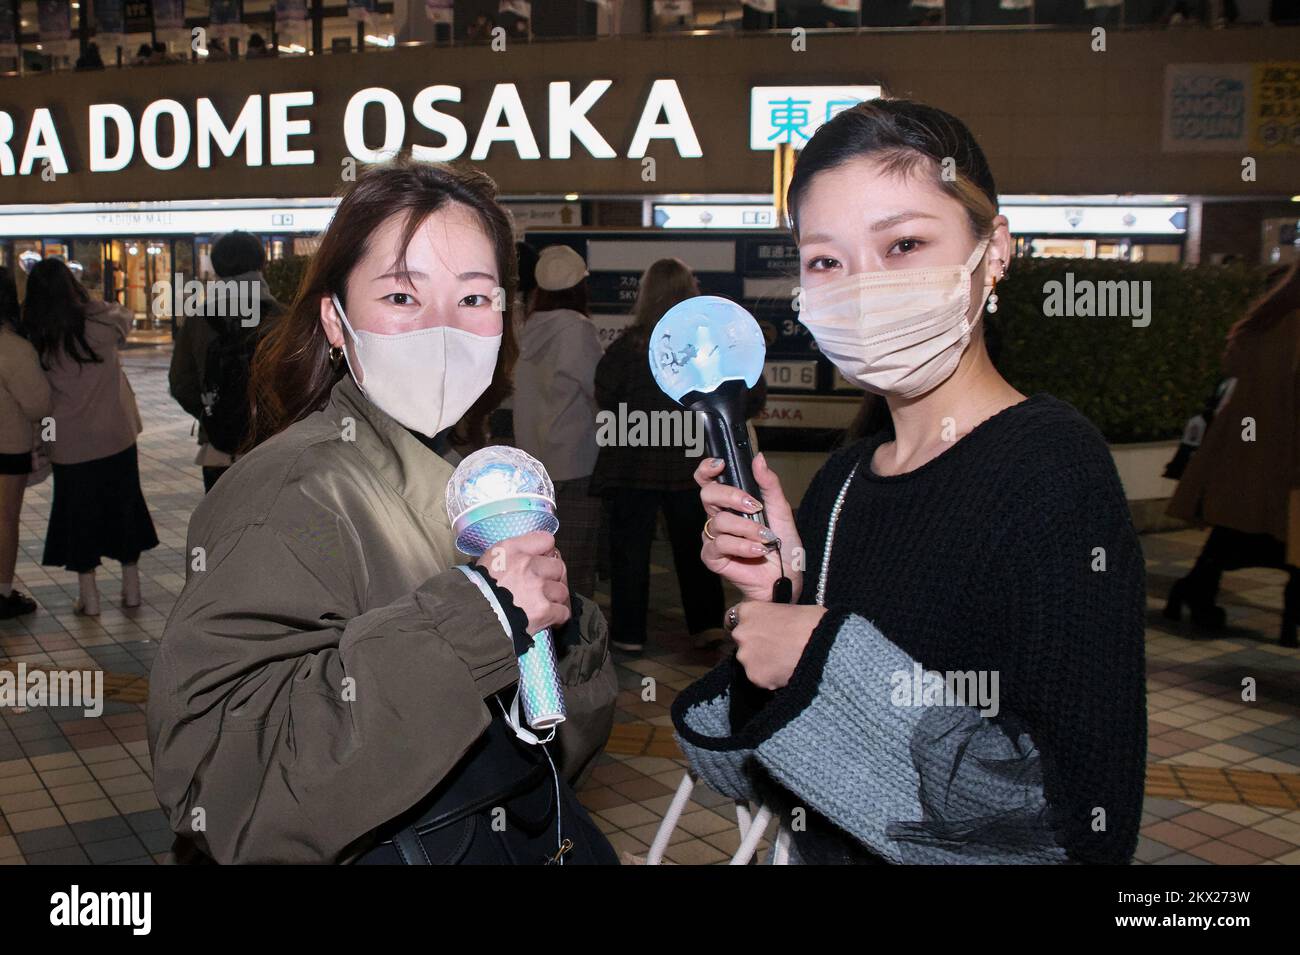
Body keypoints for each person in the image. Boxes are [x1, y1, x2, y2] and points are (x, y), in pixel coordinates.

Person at [673, 100, 1147, 864]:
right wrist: (775, 600)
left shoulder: (1053, 470)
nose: (863, 286)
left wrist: (822, 654)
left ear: (993, 252)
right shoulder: (844, 479)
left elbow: (1077, 826)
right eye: (827, 260)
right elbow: (760, 779)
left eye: (903, 244)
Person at [147, 157, 618, 865]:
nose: (443, 329)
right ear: (335, 320)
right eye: (402, 297)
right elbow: (224, 785)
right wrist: (478, 619)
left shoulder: (459, 474)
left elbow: (545, 751)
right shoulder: (290, 494)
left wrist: (558, 629)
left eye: (474, 298)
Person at [590, 258, 748, 653]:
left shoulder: (629, 344)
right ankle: (707, 625)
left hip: (632, 459)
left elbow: (605, 392)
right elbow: (744, 393)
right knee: (698, 543)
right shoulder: (704, 343)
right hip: (690, 462)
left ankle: (628, 633)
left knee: (630, 550)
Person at [1166, 258, 1300, 647]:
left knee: (1239, 528)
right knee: (1272, 533)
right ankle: (1199, 592)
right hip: (1280, 451)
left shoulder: (1266, 321)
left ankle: (1194, 591)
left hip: (1246, 448)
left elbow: (1234, 366)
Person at [23, 259, 159, 617]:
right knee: (124, 508)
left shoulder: (38, 338)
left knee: (78, 516)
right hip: (116, 435)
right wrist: (91, 301)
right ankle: (132, 590)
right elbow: (124, 315)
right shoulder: (100, 324)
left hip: (69, 444)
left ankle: (90, 597)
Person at [512, 245, 603, 598]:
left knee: (538, 559)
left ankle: (544, 632)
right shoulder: (578, 329)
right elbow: (597, 389)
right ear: (580, 287)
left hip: (533, 465)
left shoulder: (525, 329)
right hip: (577, 462)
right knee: (576, 564)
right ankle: (578, 638)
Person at [169, 231, 284, 492]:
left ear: (217, 268)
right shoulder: (283, 318)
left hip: (217, 449)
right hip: (273, 447)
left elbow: (180, 383)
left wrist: (213, 413)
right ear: (262, 264)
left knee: (219, 528)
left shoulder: (197, 321)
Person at [0, 267, 50, 619]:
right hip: (7, 445)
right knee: (4, 519)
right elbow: (38, 404)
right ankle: (2, 591)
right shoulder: (13, 349)